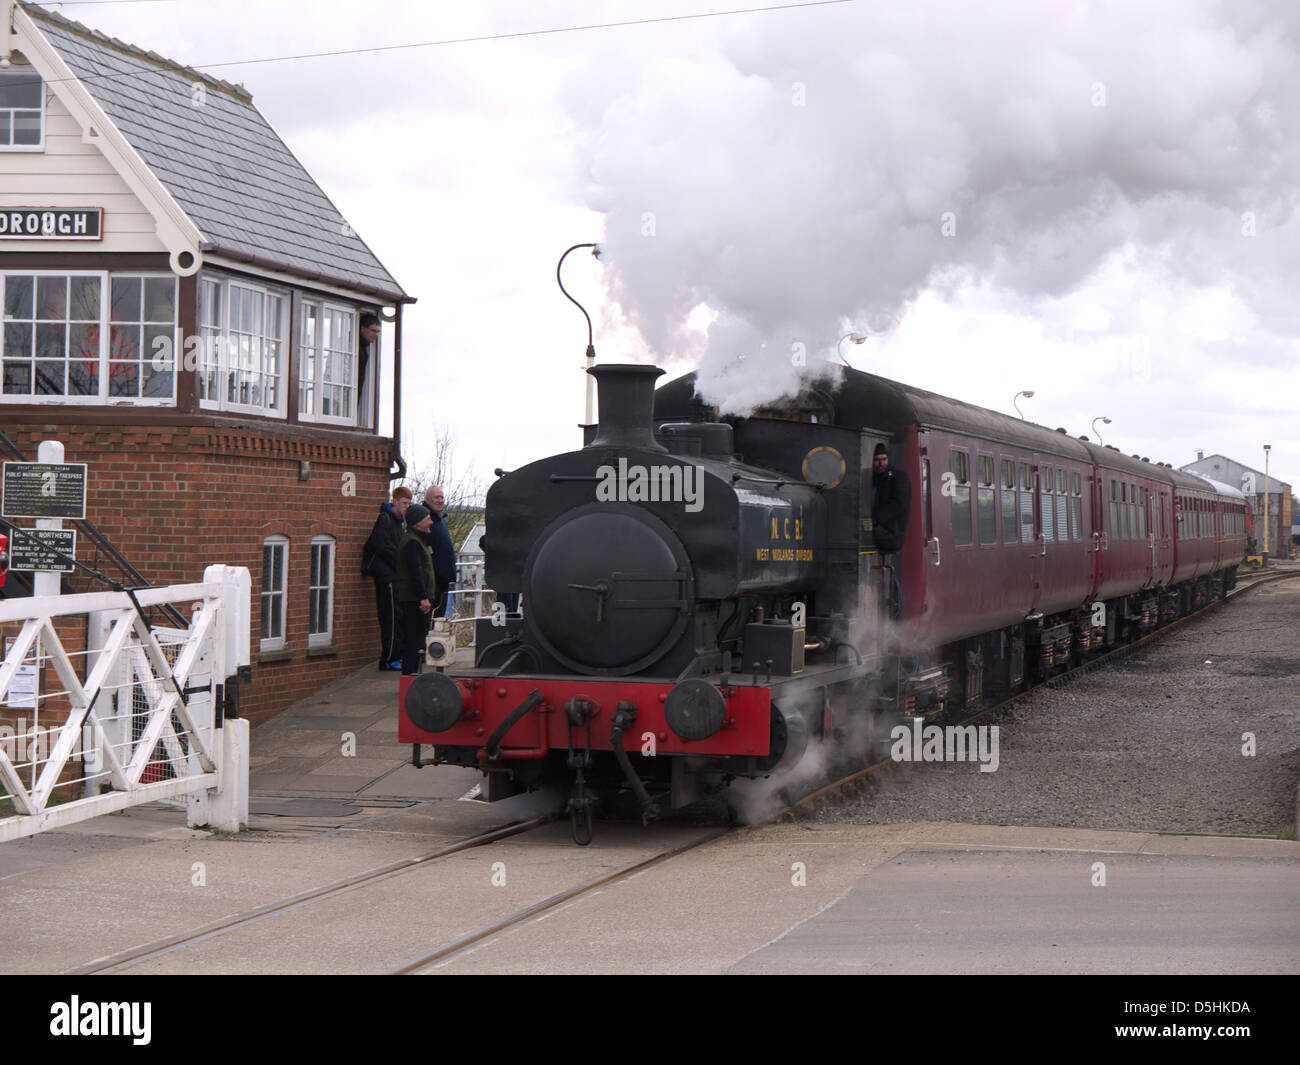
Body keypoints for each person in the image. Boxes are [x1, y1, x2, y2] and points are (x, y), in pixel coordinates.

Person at [362, 485, 411, 670]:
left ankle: (396, 655)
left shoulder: (399, 523)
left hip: (394, 575)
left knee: (398, 617)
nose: (407, 506)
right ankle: (389, 658)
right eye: (404, 503)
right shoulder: (385, 520)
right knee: (390, 617)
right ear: (396, 501)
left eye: (409, 503)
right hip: (386, 575)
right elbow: (383, 546)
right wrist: (400, 563)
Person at [395, 503, 436, 675]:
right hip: (414, 600)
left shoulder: (417, 540)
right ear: (418, 522)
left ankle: (413, 676)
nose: (431, 522)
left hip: (415, 598)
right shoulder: (412, 543)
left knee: (417, 639)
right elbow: (415, 572)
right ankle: (409, 677)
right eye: (427, 519)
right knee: (413, 640)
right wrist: (423, 598)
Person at [871, 443, 911, 619]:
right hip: (877, 530)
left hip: (890, 532)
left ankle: (895, 608)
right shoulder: (871, 478)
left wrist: (876, 519)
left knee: (888, 570)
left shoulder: (898, 477)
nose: (881, 464)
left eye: (884, 460)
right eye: (877, 460)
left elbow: (900, 505)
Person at [422, 485, 457, 618]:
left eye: (442, 497)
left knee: (438, 620)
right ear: (428, 500)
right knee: (428, 620)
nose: (440, 500)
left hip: (443, 581)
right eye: (437, 497)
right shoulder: (425, 520)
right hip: (432, 584)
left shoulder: (439, 520)